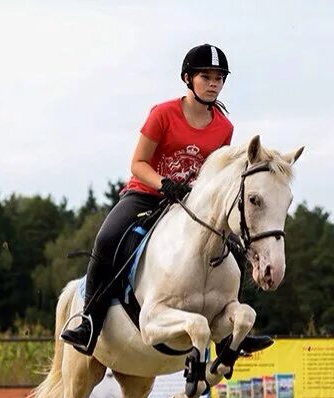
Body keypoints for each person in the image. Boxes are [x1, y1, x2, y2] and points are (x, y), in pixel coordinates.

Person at [60, 43, 273, 356]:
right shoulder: (163, 114)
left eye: (219, 78)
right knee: (107, 239)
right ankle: (88, 321)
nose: (214, 83)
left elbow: (213, 174)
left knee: (231, 244)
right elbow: (138, 163)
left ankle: (230, 332)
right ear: (188, 78)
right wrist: (164, 184)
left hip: (190, 205)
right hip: (145, 194)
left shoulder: (224, 127)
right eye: (206, 76)